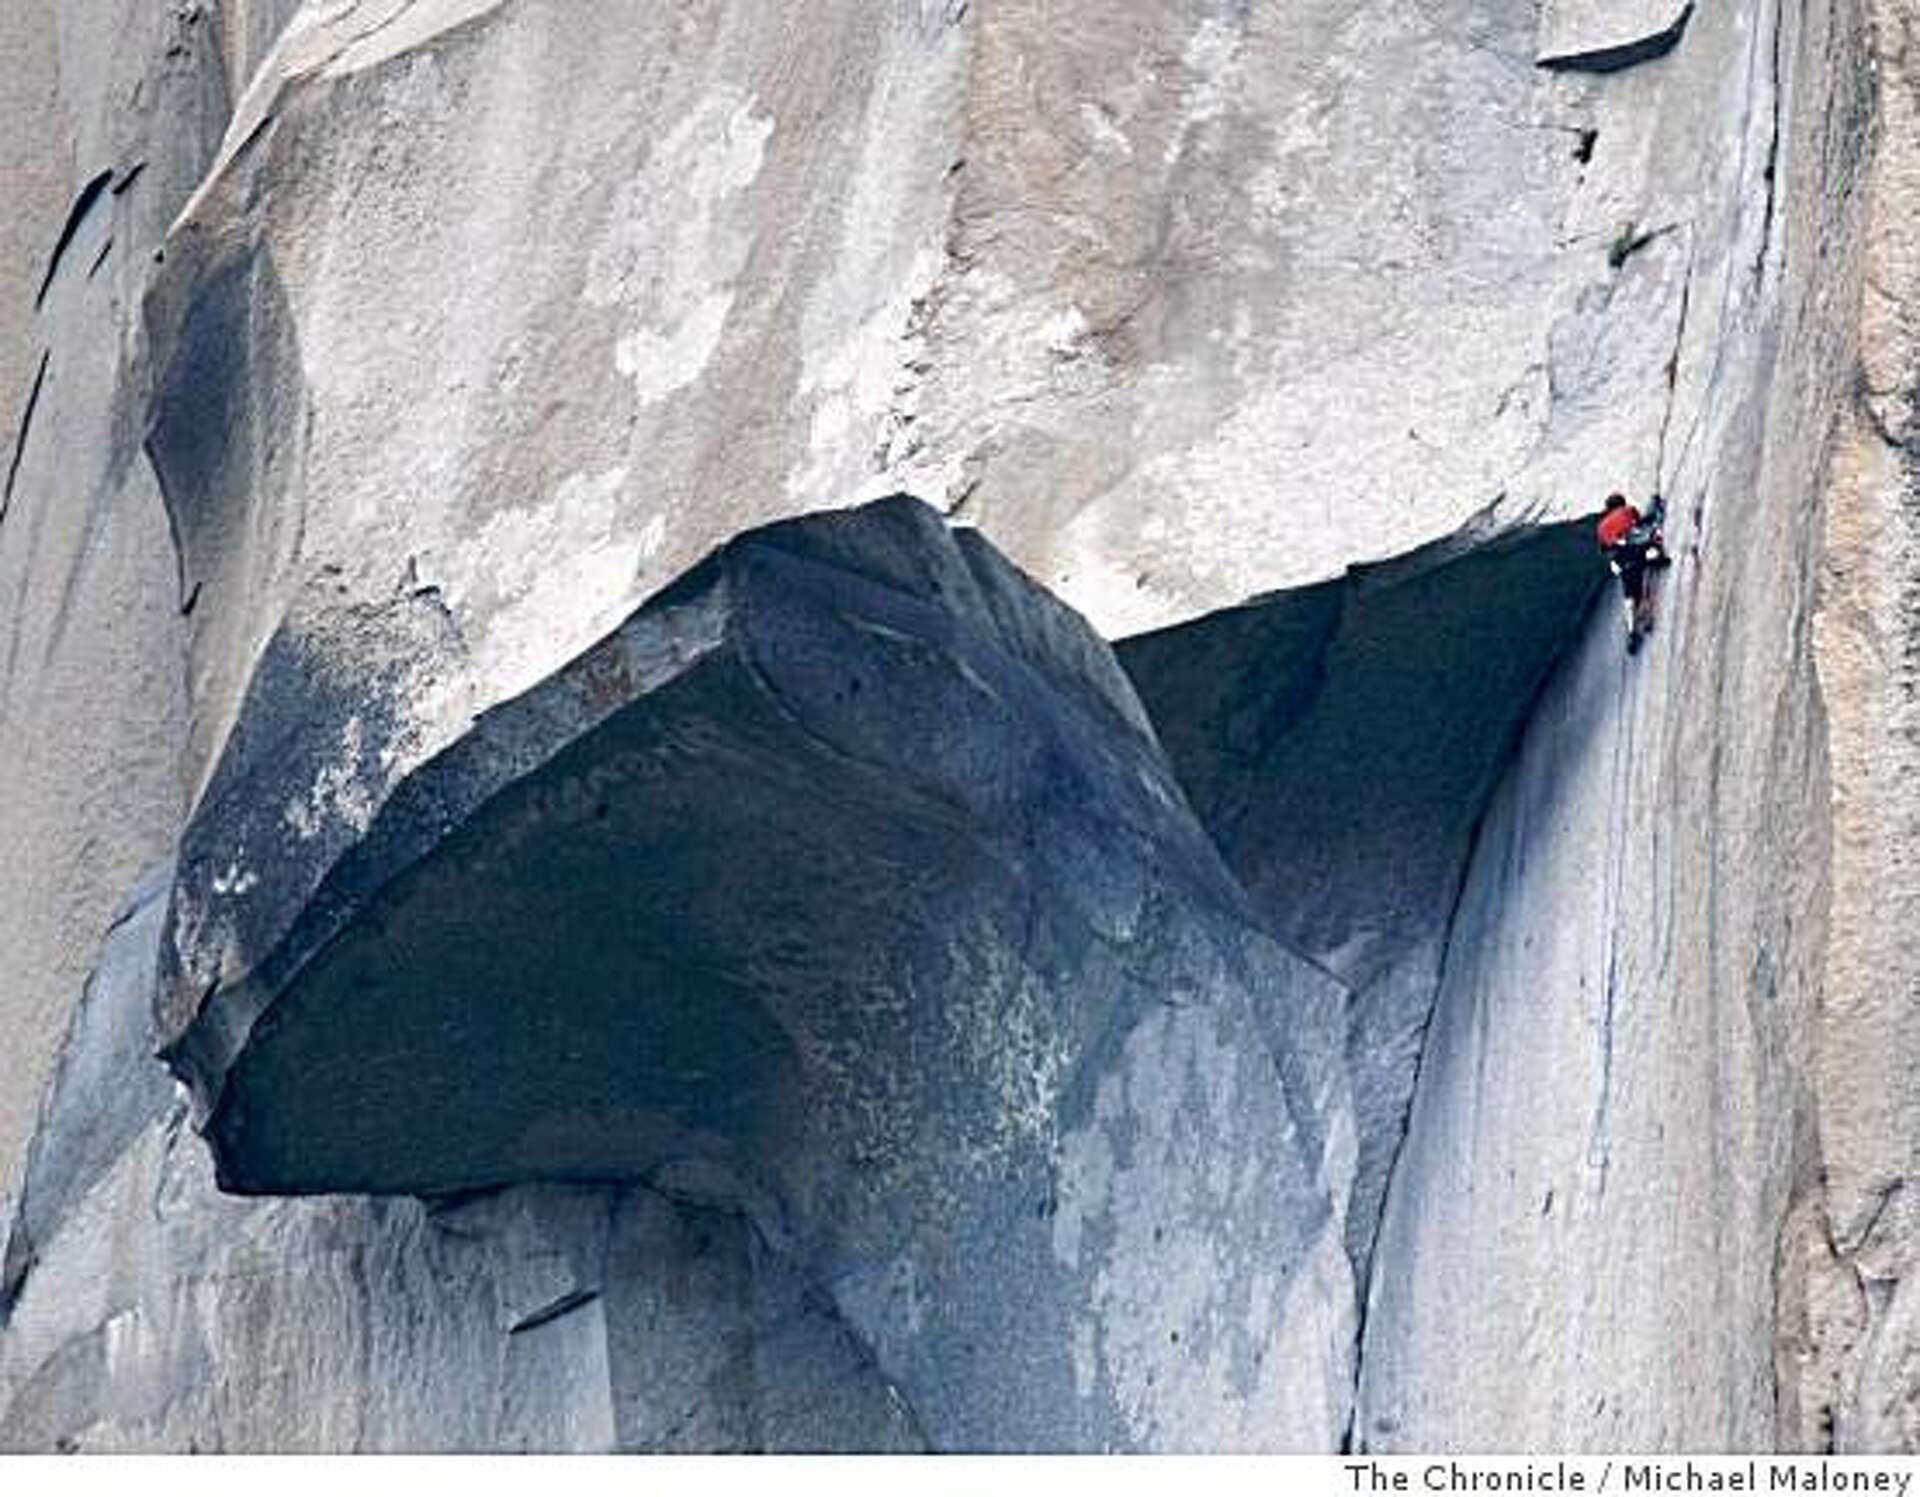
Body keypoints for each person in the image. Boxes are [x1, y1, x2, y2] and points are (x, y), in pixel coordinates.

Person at [1596, 492, 1670, 651]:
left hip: (1622, 560)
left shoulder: (1601, 527)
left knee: (1630, 595)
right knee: (1650, 551)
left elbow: (1604, 549)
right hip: (1637, 549)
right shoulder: (1628, 510)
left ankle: (1632, 632)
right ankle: (1657, 557)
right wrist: (1656, 505)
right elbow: (1641, 524)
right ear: (1621, 503)